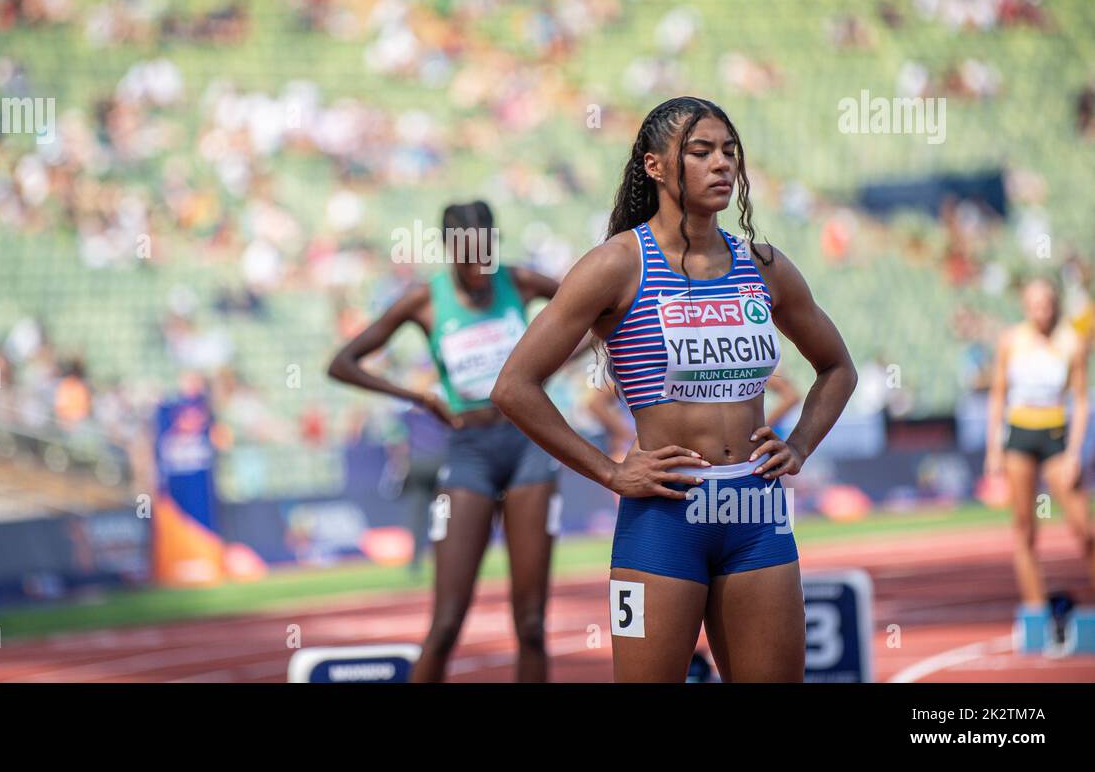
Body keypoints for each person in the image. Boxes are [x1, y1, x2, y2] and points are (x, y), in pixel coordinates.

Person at [492, 96, 857, 682]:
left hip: (757, 512)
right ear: (655, 166)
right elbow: (514, 387)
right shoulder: (617, 264)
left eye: (730, 151)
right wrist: (610, 472)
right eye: (701, 151)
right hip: (664, 518)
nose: (722, 164)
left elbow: (837, 367)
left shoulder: (762, 265)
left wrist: (800, 445)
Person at [328, 201, 585, 682]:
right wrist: (419, 397)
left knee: (531, 625)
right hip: (469, 452)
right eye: (470, 259)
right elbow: (342, 363)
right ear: (449, 251)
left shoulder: (520, 282)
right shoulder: (423, 301)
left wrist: (548, 368)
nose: (482, 270)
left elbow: (601, 312)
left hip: (527, 444)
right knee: (445, 624)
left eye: (488, 255)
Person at [985, 278, 1095, 605]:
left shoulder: (1072, 343)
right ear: (1025, 307)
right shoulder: (1011, 340)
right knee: (1024, 528)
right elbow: (998, 395)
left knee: (1084, 528)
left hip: (1055, 436)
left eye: (1045, 305)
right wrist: (993, 448)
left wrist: (1075, 453)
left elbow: (1080, 400)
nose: (1040, 312)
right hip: (1020, 435)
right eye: (1033, 306)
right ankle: (1036, 609)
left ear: (1055, 305)